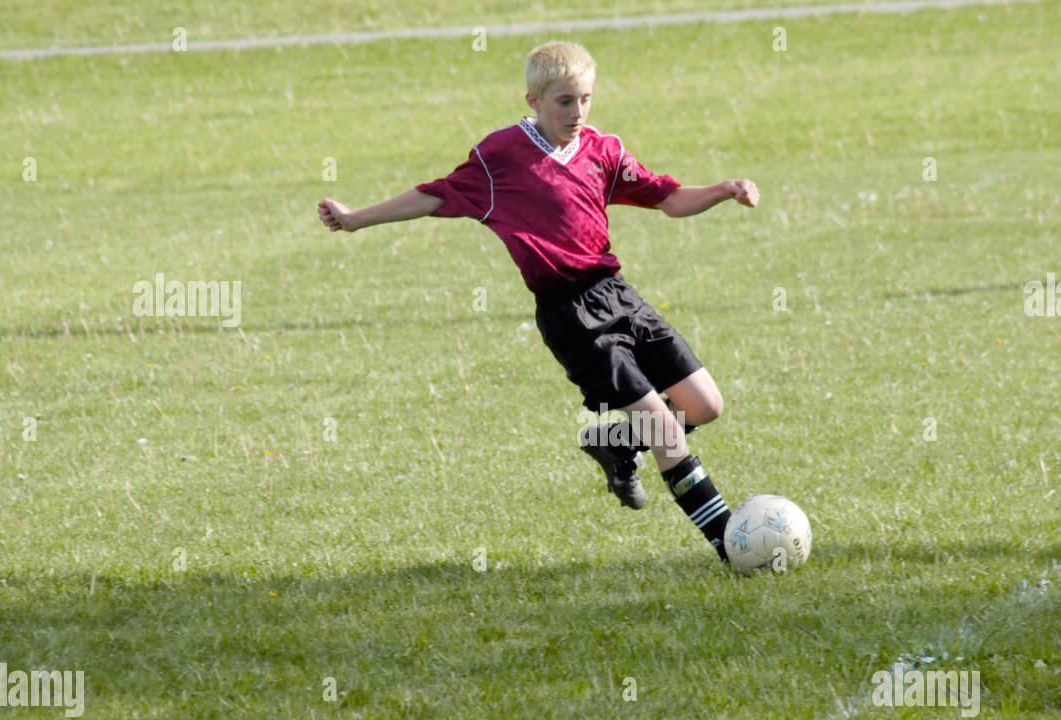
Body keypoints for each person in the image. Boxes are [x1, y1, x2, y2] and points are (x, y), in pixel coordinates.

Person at [318, 40, 760, 561]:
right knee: (662, 425)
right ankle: (733, 546)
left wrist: (724, 189)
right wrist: (355, 217)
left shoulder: (604, 150)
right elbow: (434, 194)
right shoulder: (500, 158)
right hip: (570, 316)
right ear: (533, 100)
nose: (578, 113)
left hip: (618, 295)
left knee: (705, 405)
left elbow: (668, 197)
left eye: (586, 99)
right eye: (565, 101)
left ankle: (617, 445)